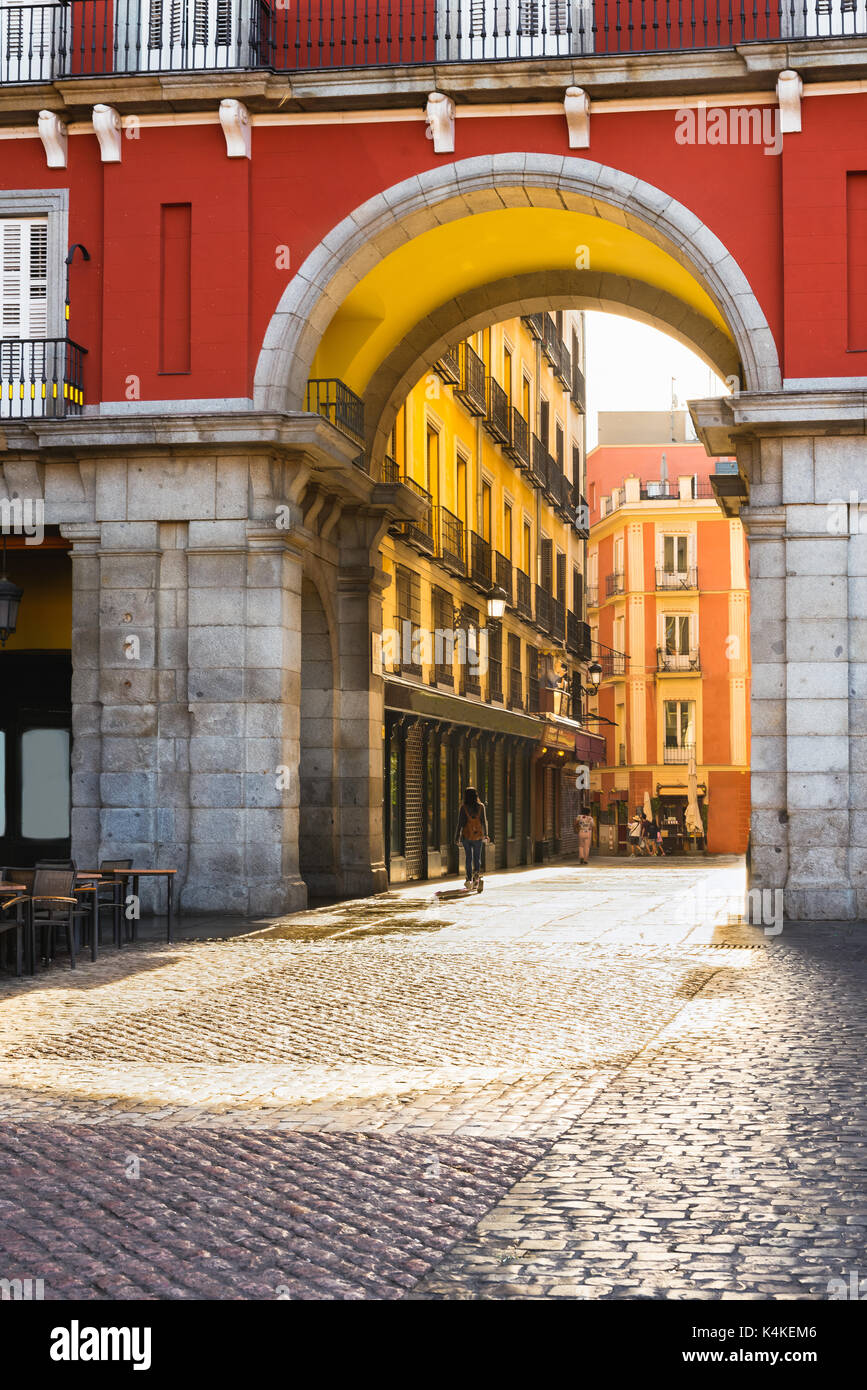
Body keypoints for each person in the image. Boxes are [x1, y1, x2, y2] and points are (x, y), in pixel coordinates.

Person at [455, 786, 488, 888]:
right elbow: (484, 822)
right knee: (477, 858)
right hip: (478, 836)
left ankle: (469, 879)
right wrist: (486, 835)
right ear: (476, 795)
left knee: (468, 858)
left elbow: (460, 823)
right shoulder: (481, 807)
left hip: (466, 836)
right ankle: (476, 877)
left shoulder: (463, 807)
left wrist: (457, 837)